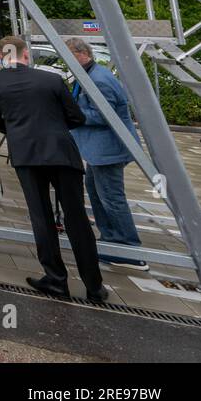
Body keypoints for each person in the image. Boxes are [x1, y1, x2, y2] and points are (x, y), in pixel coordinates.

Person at [0, 35, 108, 302]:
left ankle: (56, 280)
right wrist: (55, 130)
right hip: (62, 153)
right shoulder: (50, 80)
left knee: (42, 218)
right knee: (77, 220)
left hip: (26, 156)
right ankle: (94, 286)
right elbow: (76, 116)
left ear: (2, 56)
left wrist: (17, 133)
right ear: (26, 55)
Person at [65, 37, 149, 272]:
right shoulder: (91, 75)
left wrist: (71, 112)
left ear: (82, 54)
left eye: (68, 55)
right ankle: (111, 239)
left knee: (111, 197)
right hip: (98, 151)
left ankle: (129, 249)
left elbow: (104, 116)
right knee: (95, 191)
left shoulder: (99, 79)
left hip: (108, 150)